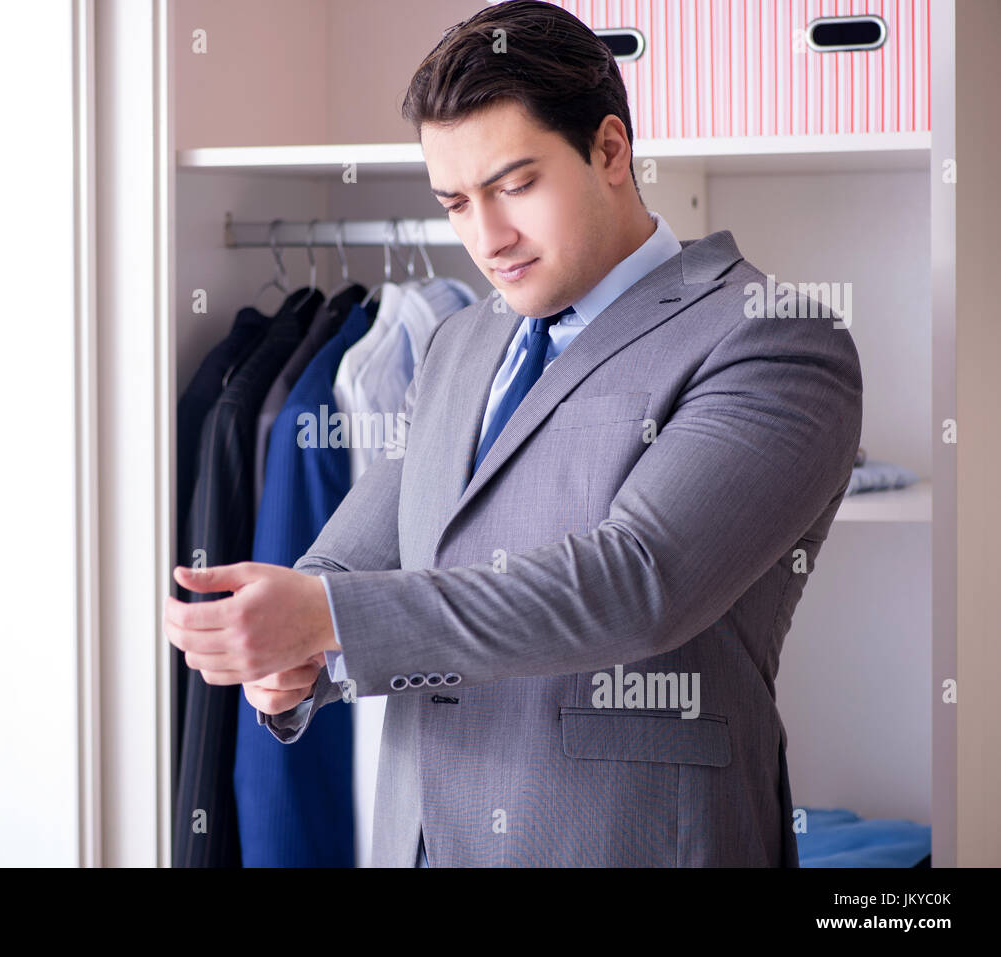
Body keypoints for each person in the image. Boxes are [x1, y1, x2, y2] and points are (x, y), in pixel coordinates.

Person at [164, 0, 861, 867]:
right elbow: (361, 553)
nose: (486, 238)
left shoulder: (771, 334)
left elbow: (638, 582)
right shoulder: (460, 342)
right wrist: (289, 651)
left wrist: (325, 617)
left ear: (611, 150)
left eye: (515, 185)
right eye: (456, 202)